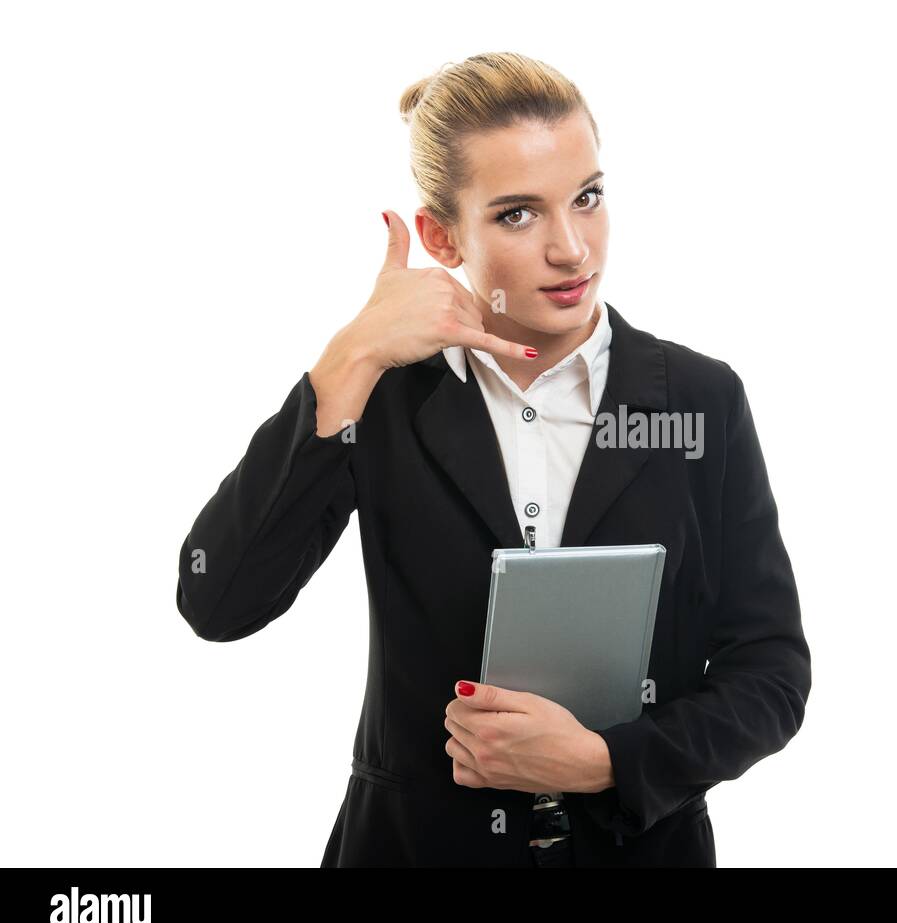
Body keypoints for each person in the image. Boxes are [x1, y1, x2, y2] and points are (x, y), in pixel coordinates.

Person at [175, 51, 811, 867]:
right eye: (518, 214)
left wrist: (610, 762)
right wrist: (347, 361)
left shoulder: (699, 399)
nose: (572, 249)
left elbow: (771, 671)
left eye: (587, 197)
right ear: (441, 236)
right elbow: (216, 598)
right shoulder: (383, 398)